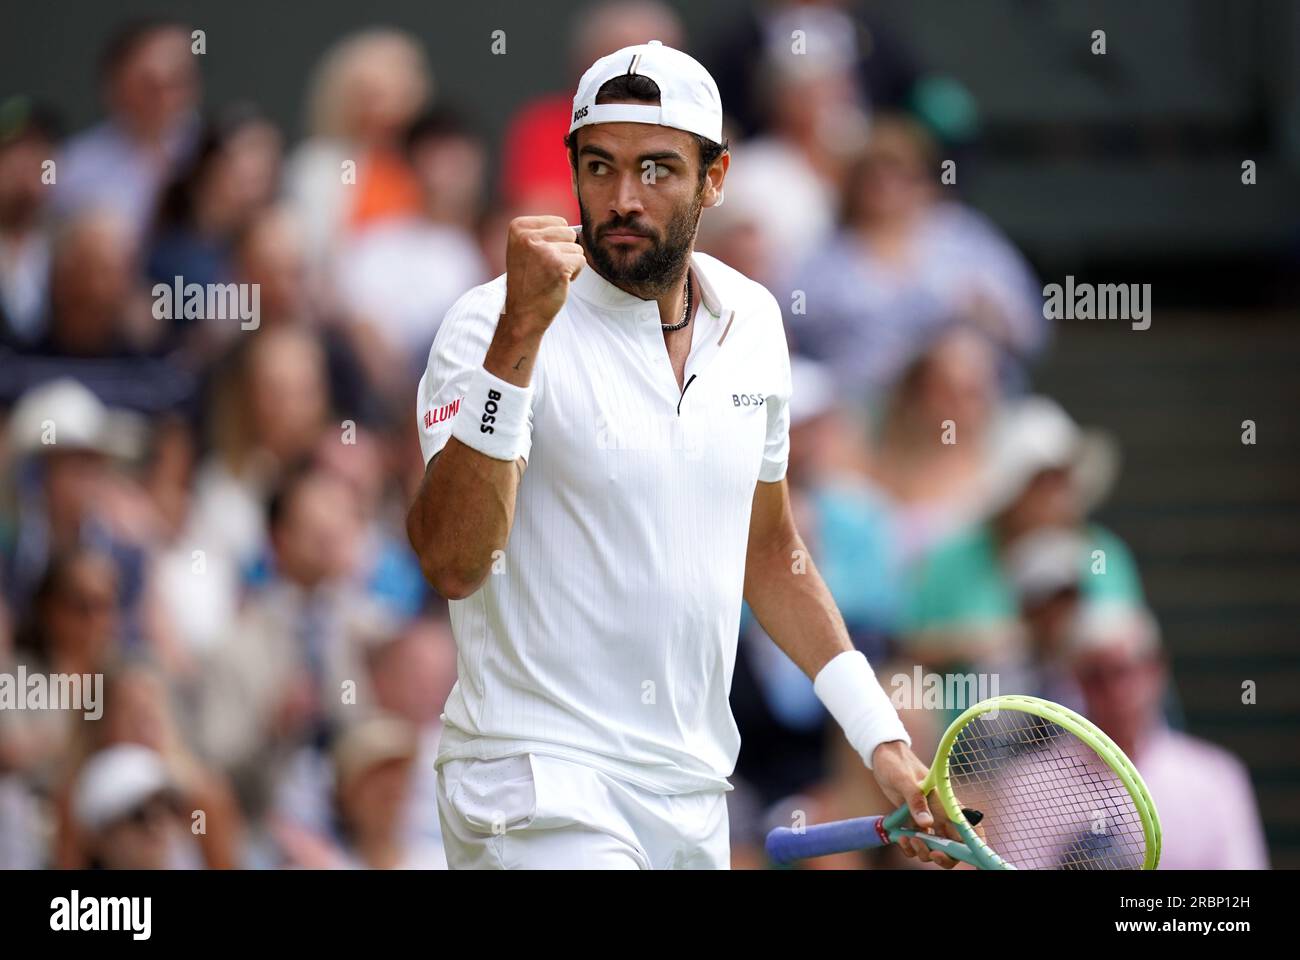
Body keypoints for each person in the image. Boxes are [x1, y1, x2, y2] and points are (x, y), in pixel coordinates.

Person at [407, 41, 956, 870]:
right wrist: (517, 339)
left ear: (716, 178)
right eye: (600, 167)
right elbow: (452, 562)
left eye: (657, 169)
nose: (623, 198)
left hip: (692, 795)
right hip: (534, 783)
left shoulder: (758, 321)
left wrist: (880, 737)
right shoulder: (490, 324)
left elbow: (769, 551)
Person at [1067, 604, 1269, 869]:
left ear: (1156, 668)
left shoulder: (1218, 779)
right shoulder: (1028, 784)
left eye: (1123, 670)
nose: (1115, 691)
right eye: (1096, 676)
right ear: (1078, 681)